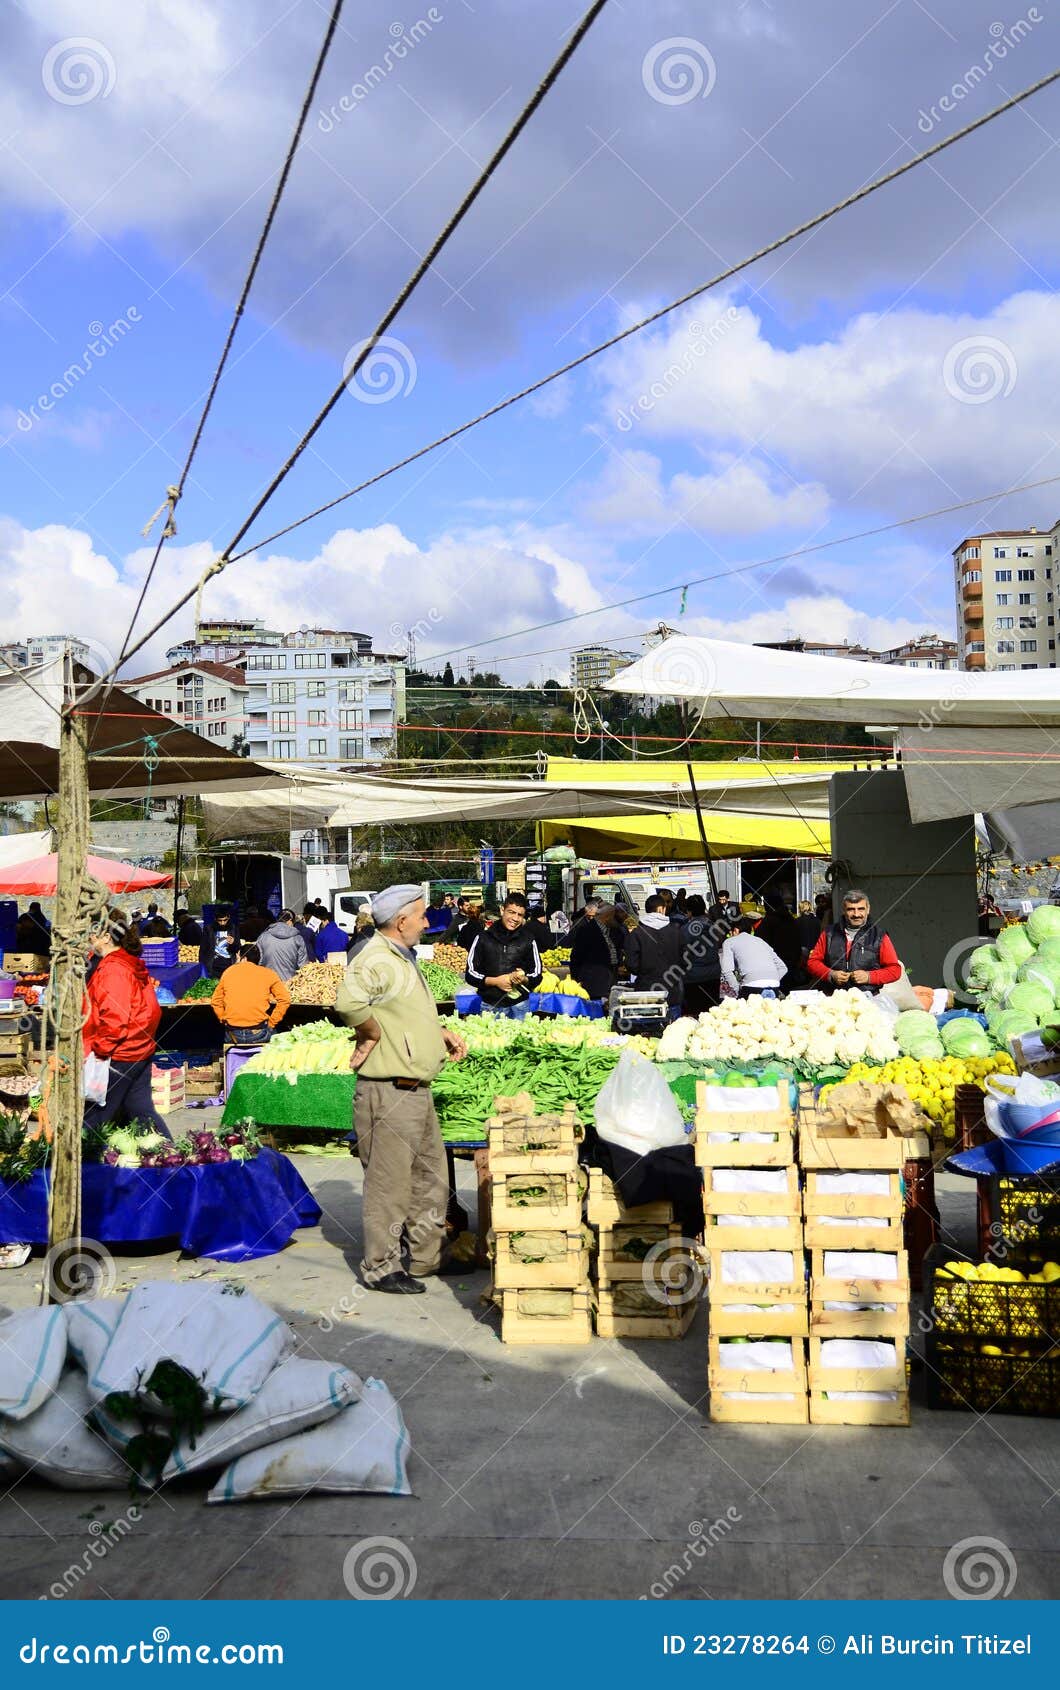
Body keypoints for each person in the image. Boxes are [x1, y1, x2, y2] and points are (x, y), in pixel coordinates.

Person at [335, 885, 469, 1294]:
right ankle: (381, 1266)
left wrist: (435, 1031)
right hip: (388, 1091)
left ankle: (428, 1257)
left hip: (415, 1090)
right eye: (423, 915)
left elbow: (400, 1010)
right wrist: (371, 1032)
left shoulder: (399, 956)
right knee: (390, 1185)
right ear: (402, 920)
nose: (428, 922)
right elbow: (347, 1004)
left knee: (432, 1180)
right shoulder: (375, 956)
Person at [82, 907, 170, 1138]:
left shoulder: (114, 970)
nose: (88, 938)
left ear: (106, 936)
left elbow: (116, 1018)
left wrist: (100, 1050)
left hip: (121, 1053)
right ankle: (170, 1158)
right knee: (140, 1109)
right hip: (137, 1049)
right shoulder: (125, 963)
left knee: (95, 1114)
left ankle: (78, 1163)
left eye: (92, 932)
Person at [806, 887, 902, 995]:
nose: (856, 914)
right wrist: (831, 974)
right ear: (843, 910)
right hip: (833, 999)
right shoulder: (829, 933)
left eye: (861, 909)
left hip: (868, 1000)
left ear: (868, 909)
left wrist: (869, 977)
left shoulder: (879, 936)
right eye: (851, 909)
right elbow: (812, 963)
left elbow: (895, 970)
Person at [464, 892, 543, 1017]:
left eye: (520, 915)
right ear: (502, 910)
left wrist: (524, 979)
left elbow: (537, 974)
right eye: (511, 912)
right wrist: (495, 981)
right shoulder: (483, 938)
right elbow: (470, 974)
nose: (515, 919)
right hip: (490, 1005)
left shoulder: (528, 939)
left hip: (520, 1006)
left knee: (521, 1037)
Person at [210, 942, 291, 1045]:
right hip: (259, 1032)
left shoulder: (229, 972)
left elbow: (216, 1001)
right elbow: (285, 1000)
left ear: (243, 958)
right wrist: (272, 1023)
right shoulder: (268, 973)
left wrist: (224, 1019)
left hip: (233, 1033)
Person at [624, 894, 686, 1011]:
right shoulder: (676, 932)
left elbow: (631, 964)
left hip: (645, 990)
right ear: (662, 909)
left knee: (648, 1026)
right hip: (672, 989)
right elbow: (685, 960)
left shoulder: (636, 933)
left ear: (647, 910)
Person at [569, 901, 623, 1002]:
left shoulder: (612, 931)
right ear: (607, 916)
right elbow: (576, 956)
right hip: (593, 981)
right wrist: (575, 979)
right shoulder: (586, 930)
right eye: (613, 916)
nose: (614, 919)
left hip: (609, 979)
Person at [719, 917, 786, 998]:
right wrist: (771, 981)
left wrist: (737, 990)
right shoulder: (761, 941)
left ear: (736, 930)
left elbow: (726, 970)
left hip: (751, 985)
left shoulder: (729, 942)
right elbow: (783, 968)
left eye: (730, 933)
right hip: (774, 985)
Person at [680, 892, 722, 1013]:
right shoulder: (714, 927)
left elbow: (681, 952)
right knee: (711, 1012)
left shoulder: (685, 929)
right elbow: (719, 945)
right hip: (713, 975)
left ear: (689, 911)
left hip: (693, 977)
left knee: (694, 1014)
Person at [756, 891, 802, 990]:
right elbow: (798, 941)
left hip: (774, 965)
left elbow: (760, 943)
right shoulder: (791, 920)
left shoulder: (769, 921)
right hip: (791, 962)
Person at [256, 909, 310, 981]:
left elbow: (259, 962)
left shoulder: (263, 937)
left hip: (269, 984)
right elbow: (303, 967)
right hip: (290, 985)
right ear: (290, 921)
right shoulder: (297, 938)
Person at [199, 907, 239, 978]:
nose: (222, 923)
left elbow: (237, 948)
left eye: (225, 920)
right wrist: (202, 966)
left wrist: (233, 943)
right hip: (213, 965)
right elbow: (203, 949)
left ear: (229, 918)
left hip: (229, 965)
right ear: (215, 919)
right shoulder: (209, 929)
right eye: (220, 920)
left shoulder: (233, 928)